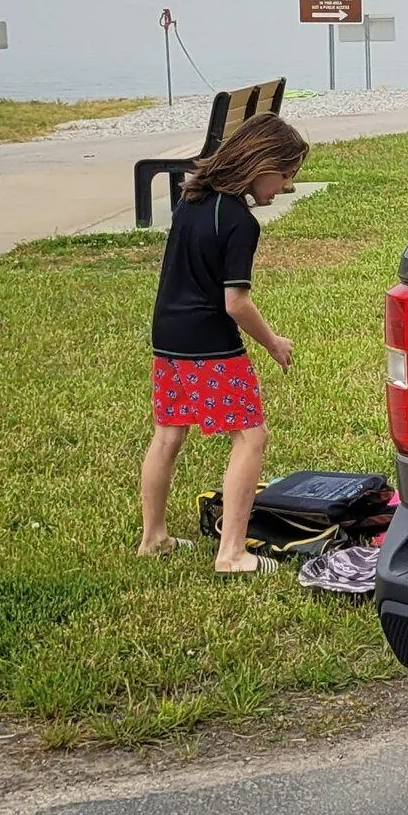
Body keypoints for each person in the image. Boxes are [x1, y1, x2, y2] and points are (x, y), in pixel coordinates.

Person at [138, 113, 309, 575]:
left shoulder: (192, 199)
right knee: (251, 435)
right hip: (210, 345)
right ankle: (231, 553)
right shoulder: (239, 221)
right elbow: (235, 302)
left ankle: (153, 537)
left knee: (169, 434)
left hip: (167, 336)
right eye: (286, 174)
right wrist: (273, 342)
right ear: (261, 163)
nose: (286, 187)